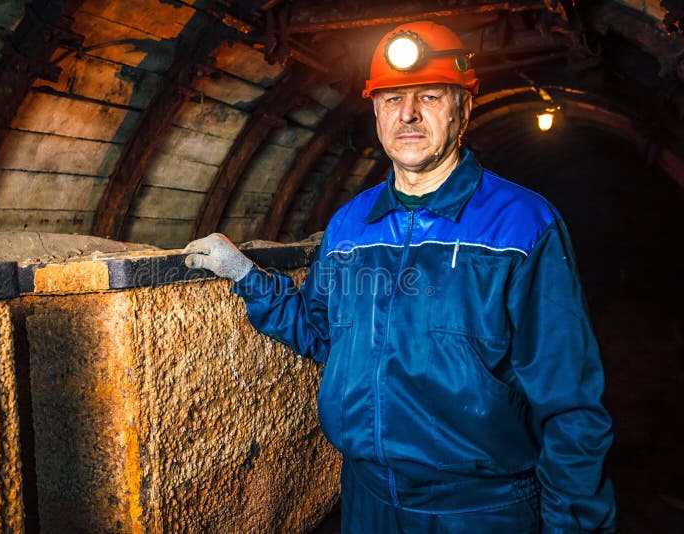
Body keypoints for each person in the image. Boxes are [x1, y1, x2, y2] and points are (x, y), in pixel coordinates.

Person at [184, 20, 616, 533]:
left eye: (429, 96)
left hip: (480, 509)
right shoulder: (350, 226)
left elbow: (569, 403)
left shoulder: (522, 226)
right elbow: (323, 335)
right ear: (375, 111)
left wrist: (574, 525)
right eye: (391, 99)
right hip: (367, 499)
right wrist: (245, 274)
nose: (407, 114)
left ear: (464, 108)